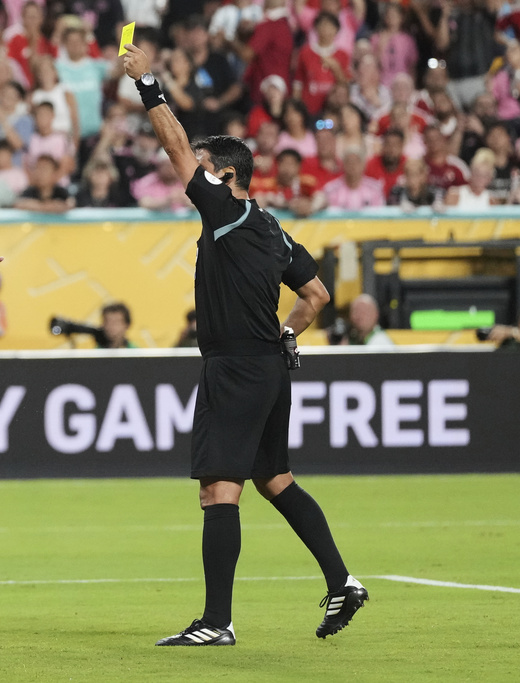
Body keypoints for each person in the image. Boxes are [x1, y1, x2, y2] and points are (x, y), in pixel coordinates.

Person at [121, 43, 367, 646]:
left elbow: (175, 147)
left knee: (218, 490)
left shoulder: (224, 210)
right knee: (276, 479)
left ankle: (217, 622)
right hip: (268, 368)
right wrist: (287, 333)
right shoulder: (272, 227)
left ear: (227, 177)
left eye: (205, 168)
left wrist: (148, 83)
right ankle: (342, 582)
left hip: (234, 368)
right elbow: (316, 295)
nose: (193, 174)